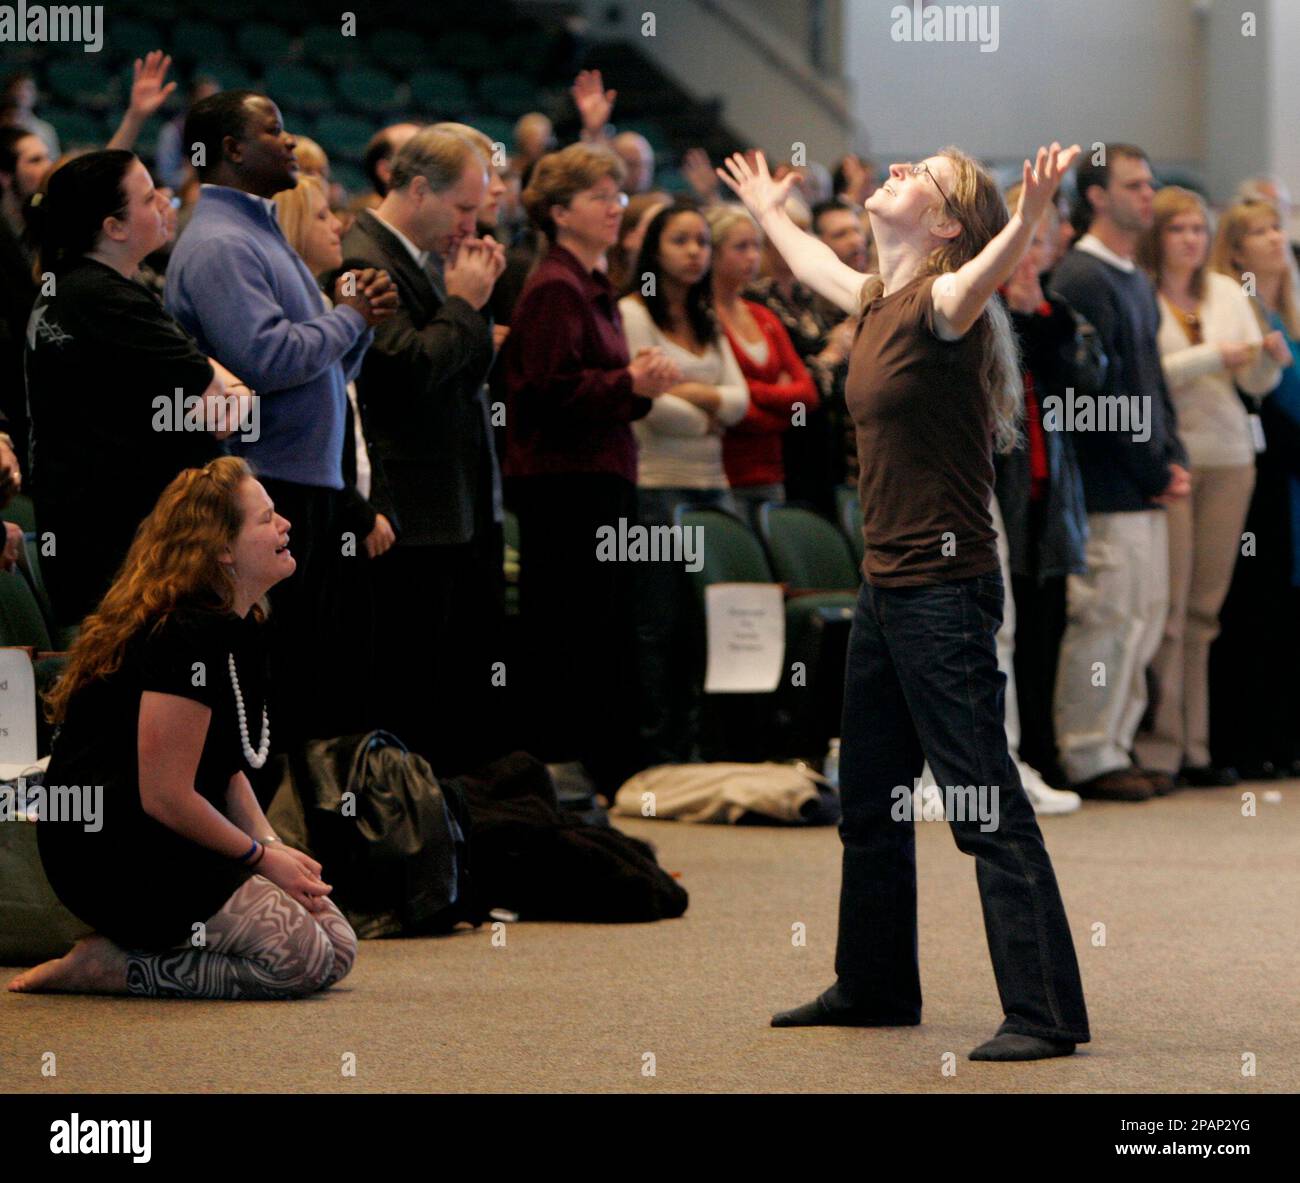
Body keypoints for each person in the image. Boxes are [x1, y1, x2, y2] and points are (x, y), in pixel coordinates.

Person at [719, 142, 1091, 1061]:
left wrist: (1028, 217)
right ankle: (876, 983)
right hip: (888, 588)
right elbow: (810, 263)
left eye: (922, 173)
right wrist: (768, 210)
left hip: (946, 588)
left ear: (945, 224)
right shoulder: (877, 298)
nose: (898, 170)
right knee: (870, 797)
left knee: (979, 801)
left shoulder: (942, 303)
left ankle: (1045, 1010)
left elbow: (982, 280)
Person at [8, 457, 357, 999]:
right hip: (115, 850)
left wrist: (270, 845)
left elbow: (224, 769)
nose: (285, 524)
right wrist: (259, 859)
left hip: (173, 831)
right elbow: (166, 796)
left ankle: (143, 950)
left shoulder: (243, 623)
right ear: (221, 547)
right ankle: (114, 968)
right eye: (266, 519)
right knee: (301, 961)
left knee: (338, 946)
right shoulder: (184, 634)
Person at [165, 90, 397, 747]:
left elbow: (322, 372)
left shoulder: (258, 232)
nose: (291, 140)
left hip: (300, 479)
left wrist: (358, 322)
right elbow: (265, 359)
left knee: (317, 670)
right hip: (265, 484)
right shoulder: (220, 243)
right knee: (287, 674)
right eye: (275, 129)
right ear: (232, 149)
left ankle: (312, 822)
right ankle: (277, 828)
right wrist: (347, 316)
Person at [503, 142, 680, 796]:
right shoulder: (555, 285)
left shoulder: (589, 283)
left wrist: (635, 385)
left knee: (597, 621)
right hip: (564, 480)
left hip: (594, 472)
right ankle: (559, 760)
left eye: (619, 196)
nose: (615, 207)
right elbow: (549, 391)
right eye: (600, 198)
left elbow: (590, 385)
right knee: (569, 624)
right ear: (558, 211)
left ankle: (590, 762)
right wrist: (628, 381)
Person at [337, 127, 505, 772]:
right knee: (409, 687)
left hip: (446, 499)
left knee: (444, 685)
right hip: (403, 507)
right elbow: (404, 371)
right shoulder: (363, 256)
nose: (470, 224)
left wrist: (468, 308)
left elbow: (463, 370)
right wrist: (464, 304)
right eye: (463, 208)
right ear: (416, 188)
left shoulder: (420, 255)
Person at [24, 150, 240, 629]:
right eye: (148, 197)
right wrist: (227, 389)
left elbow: (210, 393)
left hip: (118, 545)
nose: (165, 200)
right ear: (114, 227)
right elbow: (226, 406)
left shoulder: (86, 287)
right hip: (125, 556)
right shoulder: (102, 298)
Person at [1048, 143, 1190, 800]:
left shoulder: (1132, 275)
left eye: (1151, 183)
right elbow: (1092, 396)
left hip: (1144, 480)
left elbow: (1153, 379)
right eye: (1136, 184)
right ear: (1097, 196)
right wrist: (1150, 466)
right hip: (1106, 484)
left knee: (1144, 613)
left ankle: (1118, 740)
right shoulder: (1081, 275)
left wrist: (1174, 455)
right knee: (1104, 617)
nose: (1149, 195)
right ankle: (1086, 752)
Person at [1133, 187, 1285, 787]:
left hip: (1229, 454)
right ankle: (1160, 746)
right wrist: (1211, 356)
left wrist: (1268, 359)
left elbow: (1254, 384)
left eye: (1199, 229)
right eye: (1179, 230)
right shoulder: (1141, 289)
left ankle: (1196, 746)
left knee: (1204, 611)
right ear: (1159, 237)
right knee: (1167, 610)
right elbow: (1147, 376)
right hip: (1171, 459)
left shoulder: (1227, 290)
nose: (1192, 240)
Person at [619, 199, 748, 766]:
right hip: (655, 487)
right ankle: (655, 750)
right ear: (653, 251)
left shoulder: (706, 317)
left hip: (713, 487)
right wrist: (709, 410)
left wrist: (696, 399)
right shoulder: (632, 313)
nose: (696, 252)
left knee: (707, 625)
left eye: (702, 241)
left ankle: (698, 746)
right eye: (681, 241)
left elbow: (742, 401)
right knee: (657, 625)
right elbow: (643, 405)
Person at [273, 172, 398, 738]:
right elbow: (308, 420)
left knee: (349, 666)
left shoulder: (327, 304)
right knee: (312, 663)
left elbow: (346, 406)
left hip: (345, 499)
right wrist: (356, 510)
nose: (340, 225)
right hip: (316, 501)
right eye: (323, 215)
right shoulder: (298, 311)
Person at [995, 181, 1098, 798]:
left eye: (1043, 238)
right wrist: (1019, 315)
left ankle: (1043, 749)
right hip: (997, 490)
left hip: (1050, 494)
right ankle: (1008, 755)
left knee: (1046, 628)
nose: (1034, 252)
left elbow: (1090, 383)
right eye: (1024, 238)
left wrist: (1043, 317)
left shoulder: (1059, 310)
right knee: (1003, 626)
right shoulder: (977, 307)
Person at [1209, 200, 1300, 779]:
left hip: (1290, 478)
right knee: (1250, 603)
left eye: (1277, 228)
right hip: (1262, 470)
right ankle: (1240, 739)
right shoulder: (1235, 307)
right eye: (1259, 232)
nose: (1274, 239)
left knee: (1288, 608)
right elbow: (1254, 400)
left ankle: (1283, 734)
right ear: (1236, 250)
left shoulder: (1288, 310)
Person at [709, 202, 818, 525]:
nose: (752, 257)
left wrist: (748, 393)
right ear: (713, 254)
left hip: (770, 471)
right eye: (741, 247)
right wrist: (776, 401)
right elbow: (730, 406)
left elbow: (807, 394)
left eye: (756, 246)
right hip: (724, 472)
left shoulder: (763, 316)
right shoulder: (704, 317)